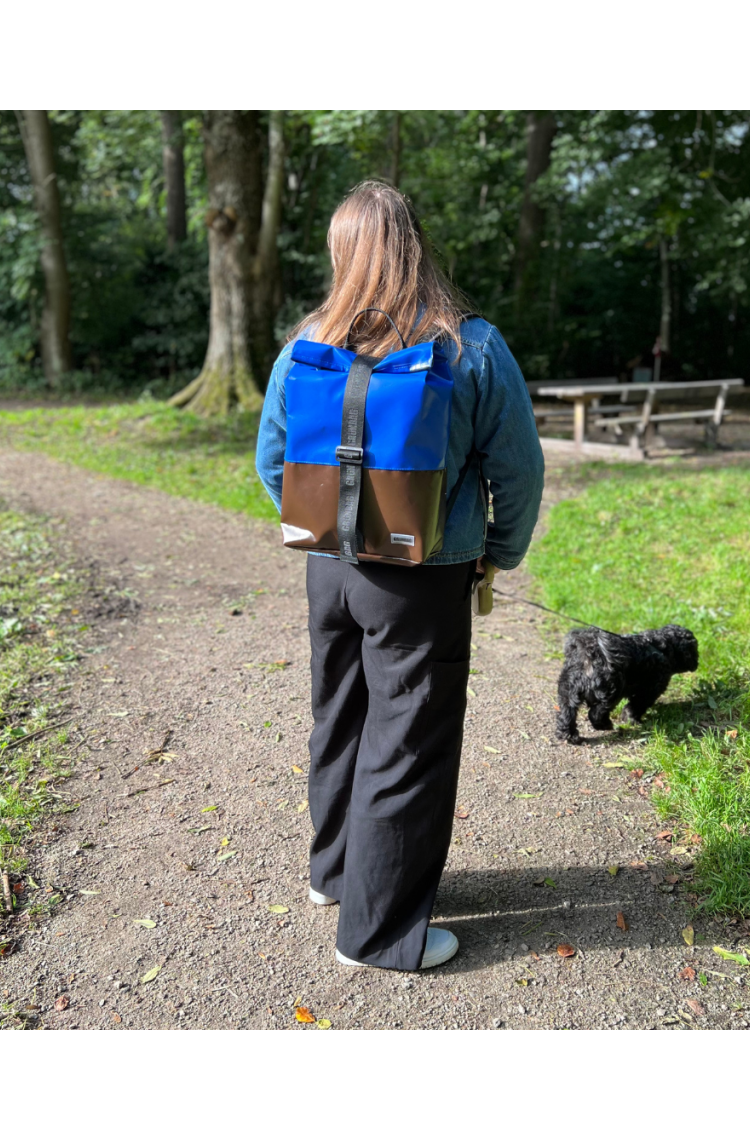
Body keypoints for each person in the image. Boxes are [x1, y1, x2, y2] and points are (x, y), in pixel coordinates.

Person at [256, 181, 544, 971]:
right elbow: (517, 472)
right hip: (423, 574)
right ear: (416, 244)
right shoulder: (471, 344)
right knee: (408, 739)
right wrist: (497, 551)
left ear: (341, 252)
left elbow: (270, 462)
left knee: (339, 717)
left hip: (328, 568)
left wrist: (325, 527)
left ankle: (335, 875)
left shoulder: (304, 344)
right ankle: (379, 936)